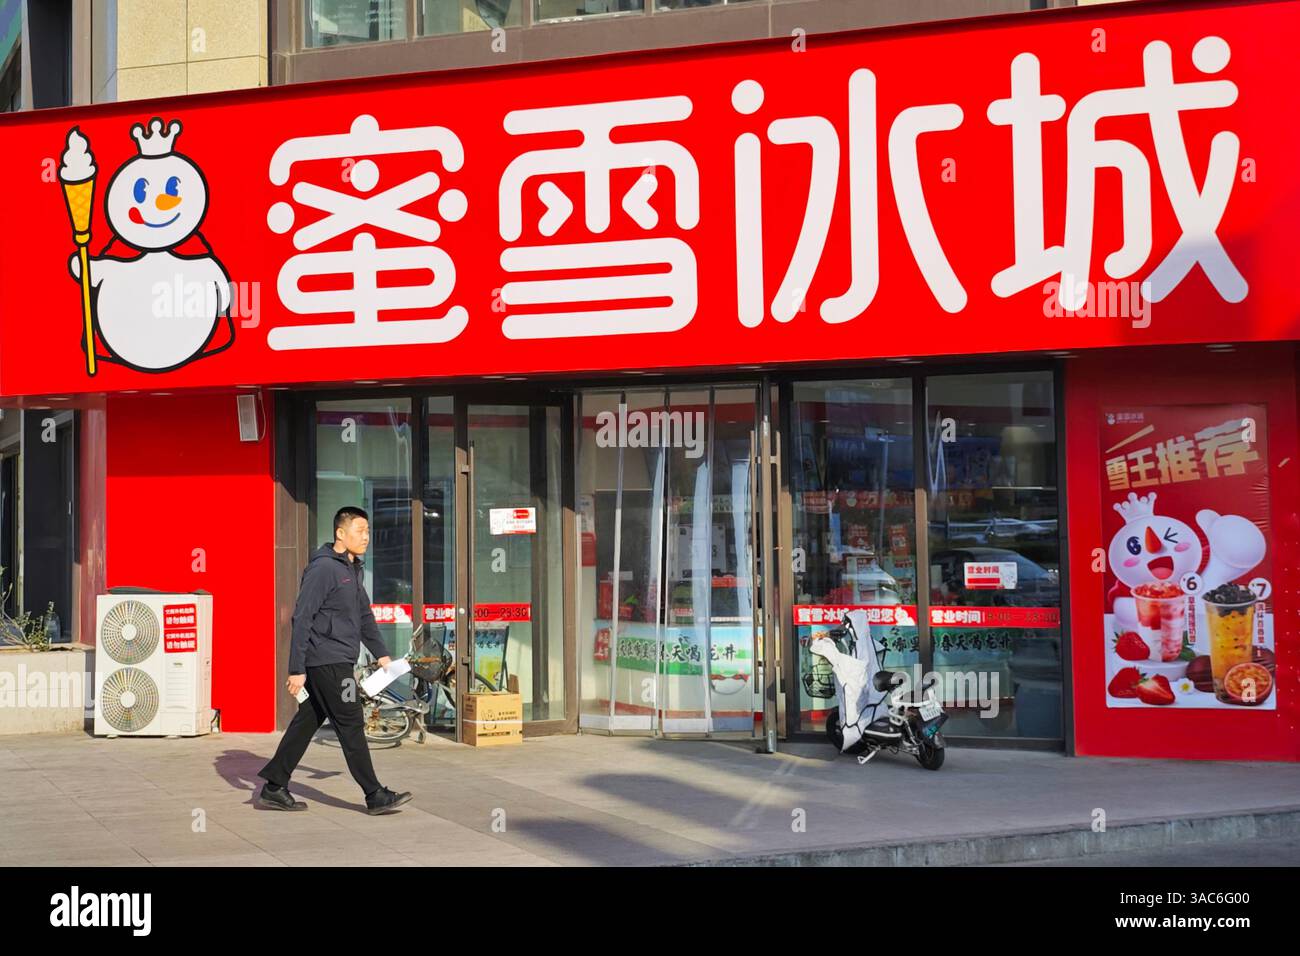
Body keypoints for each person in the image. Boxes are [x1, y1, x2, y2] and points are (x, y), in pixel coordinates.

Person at [257, 506, 412, 815]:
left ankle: (274, 786)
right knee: (351, 722)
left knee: (308, 721)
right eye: (359, 531)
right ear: (340, 534)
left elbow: (364, 615)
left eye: (368, 531)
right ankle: (374, 794)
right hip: (327, 661)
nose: (366, 537)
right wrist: (296, 668)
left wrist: (382, 654)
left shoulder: (351, 569)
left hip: (337, 658)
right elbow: (303, 617)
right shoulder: (324, 569)